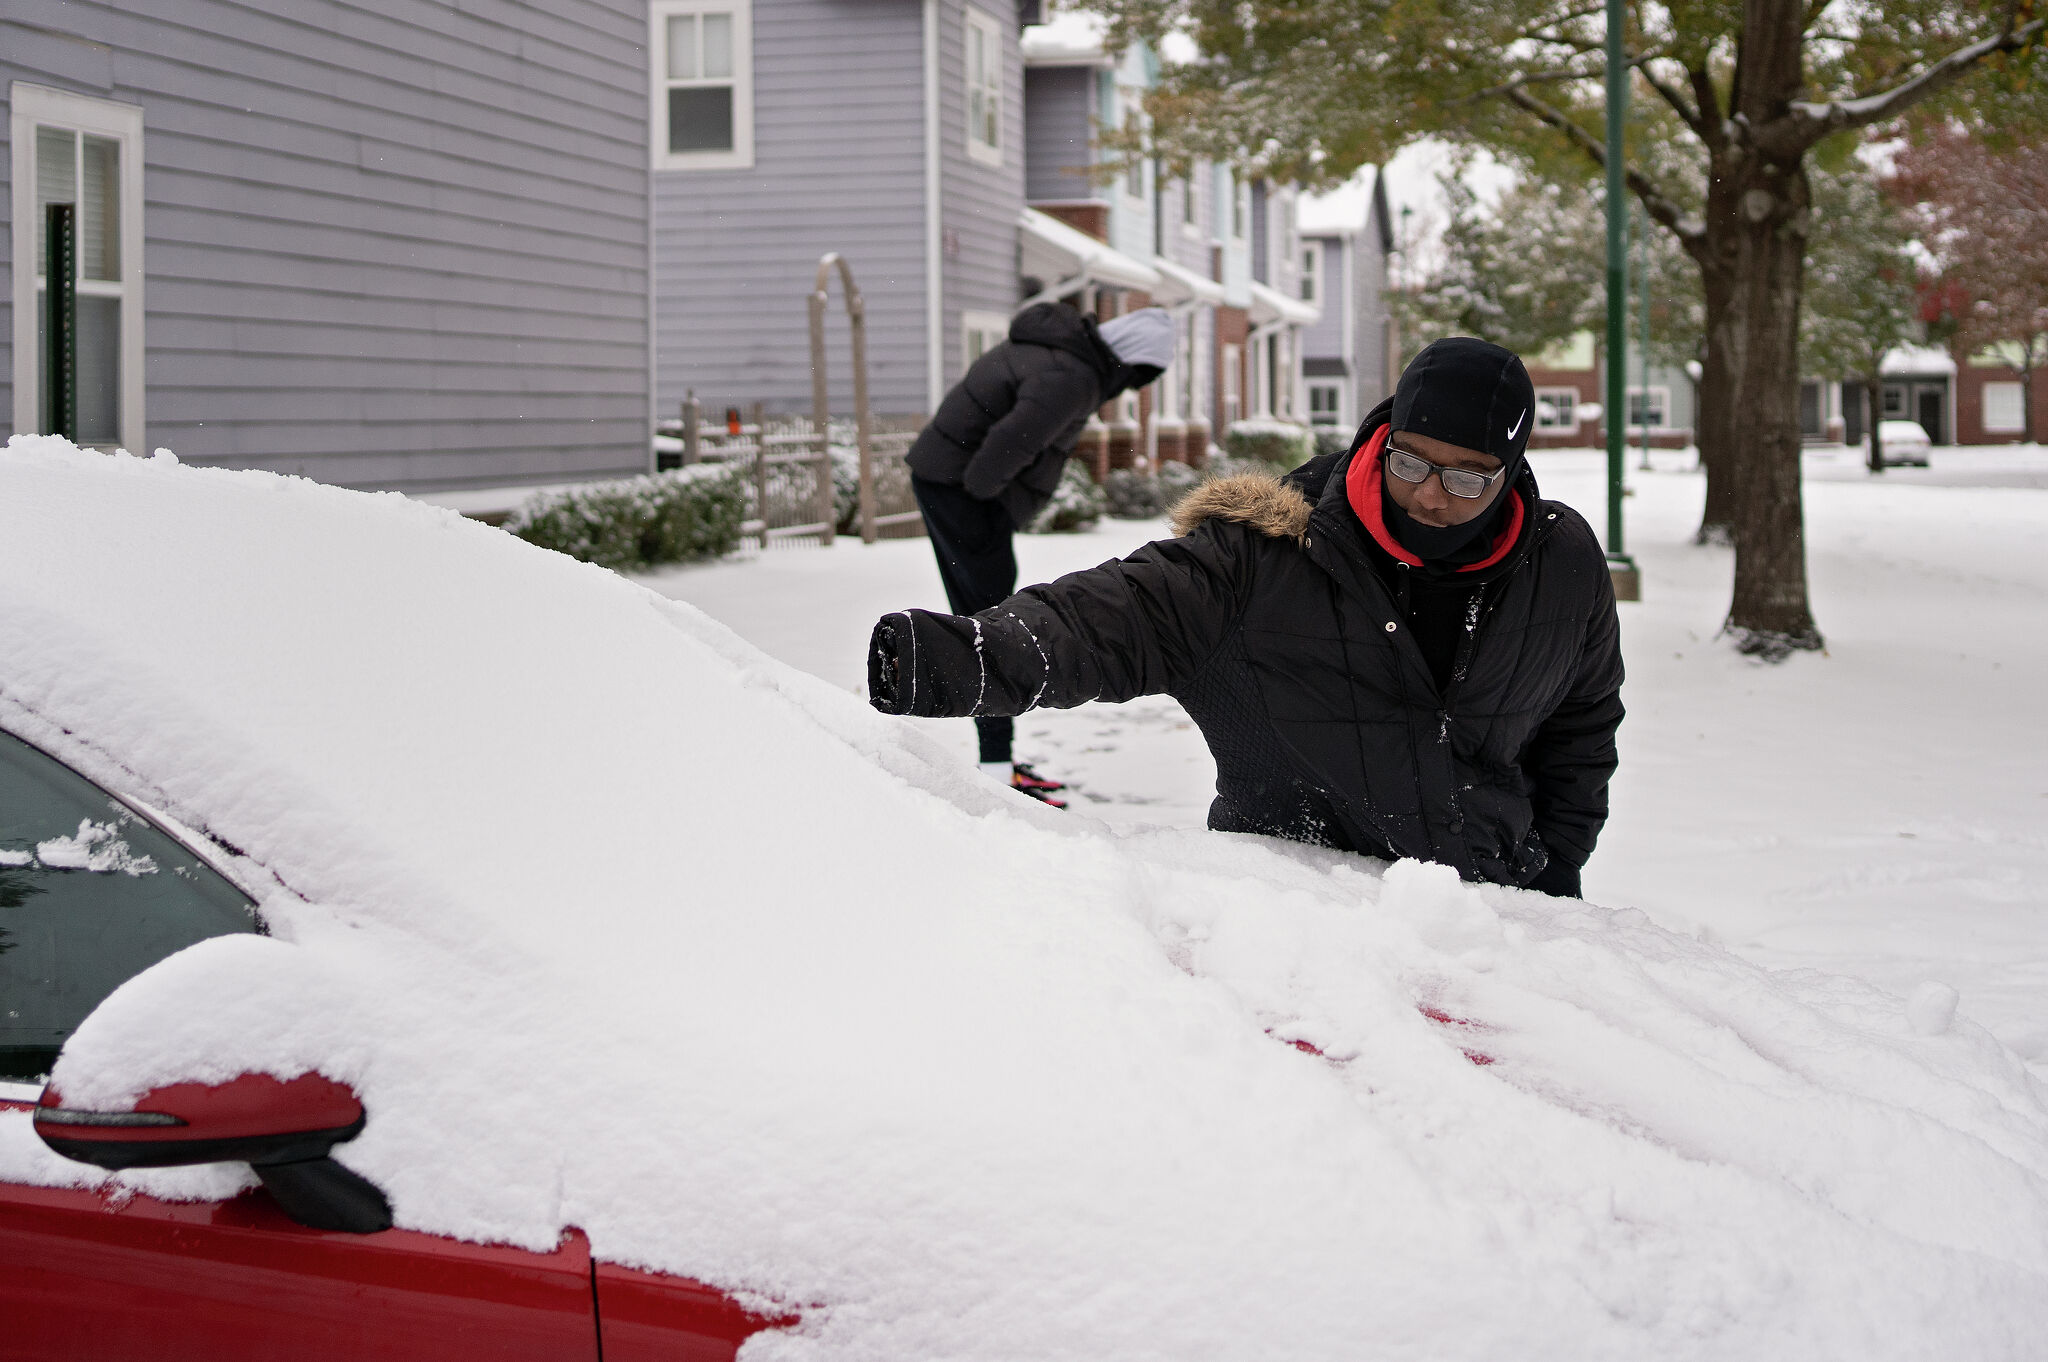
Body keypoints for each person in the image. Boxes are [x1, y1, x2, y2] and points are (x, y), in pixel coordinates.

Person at [868, 337, 1623, 897]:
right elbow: (1116, 616)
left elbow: (1582, 728)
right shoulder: (1268, 554)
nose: (1430, 495)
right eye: (1412, 462)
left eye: (1467, 477)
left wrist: (1554, 870)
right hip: (1292, 923)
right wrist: (960, 656)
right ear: (1385, 438)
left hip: (1493, 929)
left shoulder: (1562, 565)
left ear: (1513, 466)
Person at [904, 301, 1173, 806]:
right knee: (990, 626)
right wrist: (991, 501)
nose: (1132, 388)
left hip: (946, 480)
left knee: (985, 615)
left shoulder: (1059, 354)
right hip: (961, 491)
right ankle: (997, 769)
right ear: (1131, 361)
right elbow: (1011, 440)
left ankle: (998, 760)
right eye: (1141, 377)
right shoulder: (1072, 374)